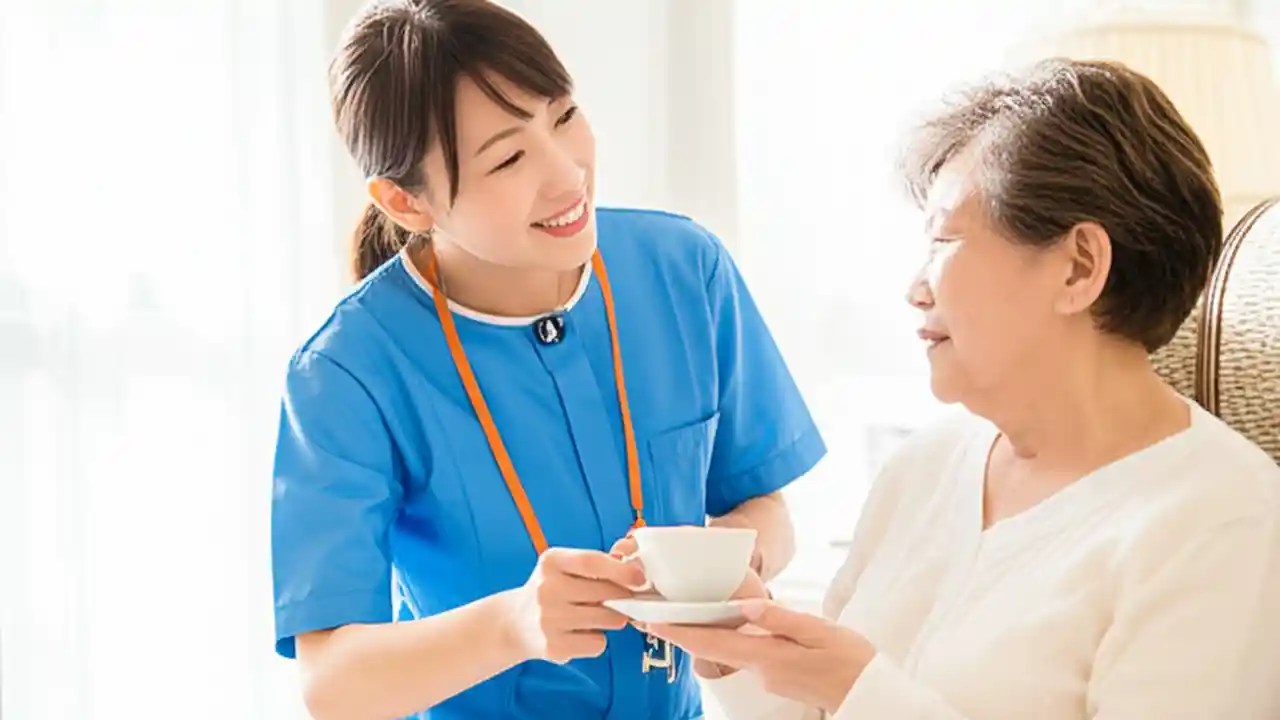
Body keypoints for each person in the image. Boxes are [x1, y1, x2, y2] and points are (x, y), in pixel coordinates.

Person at [645, 58, 1280, 719]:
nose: (915, 288)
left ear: (1080, 267)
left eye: (944, 239)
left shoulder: (1219, 515)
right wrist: (736, 652)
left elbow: (853, 697)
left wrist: (856, 687)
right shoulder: (926, 465)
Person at [269, 1, 825, 719]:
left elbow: (766, 508)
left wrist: (728, 564)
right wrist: (515, 624)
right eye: (507, 158)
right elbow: (334, 684)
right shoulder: (345, 373)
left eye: (563, 116)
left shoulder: (687, 271)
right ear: (405, 202)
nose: (568, 176)